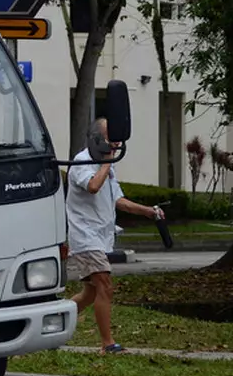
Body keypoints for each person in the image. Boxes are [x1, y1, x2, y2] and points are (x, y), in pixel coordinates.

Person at [65, 117, 165, 354]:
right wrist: (107, 163)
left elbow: (117, 200)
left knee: (89, 294)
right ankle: (107, 344)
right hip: (85, 236)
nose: (117, 142)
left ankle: (50, 322)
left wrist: (148, 212)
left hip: (101, 237)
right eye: (112, 137)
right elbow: (92, 186)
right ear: (98, 138)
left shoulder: (107, 165)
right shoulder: (82, 162)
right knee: (105, 286)